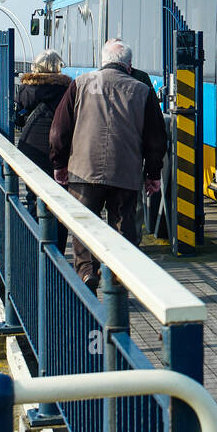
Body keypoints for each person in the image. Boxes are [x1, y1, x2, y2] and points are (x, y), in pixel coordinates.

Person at [48, 39, 166, 291]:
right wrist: (153, 173)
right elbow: (156, 137)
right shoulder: (142, 91)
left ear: (102, 61)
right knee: (123, 228)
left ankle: (87, 272)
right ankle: (118, 277)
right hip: (126, 171)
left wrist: (59, 164)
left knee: (84, 224)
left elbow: (59, 130)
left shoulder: (79, 84)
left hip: (83, 170)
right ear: (129, 65)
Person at [15, 49, 73, 250]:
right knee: (61, 199)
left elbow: (18, 116)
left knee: (34, 196)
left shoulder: (26, 90)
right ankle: (57, 248)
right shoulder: (68, 90)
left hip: (31, 149)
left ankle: (36, 245)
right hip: (62, 149)